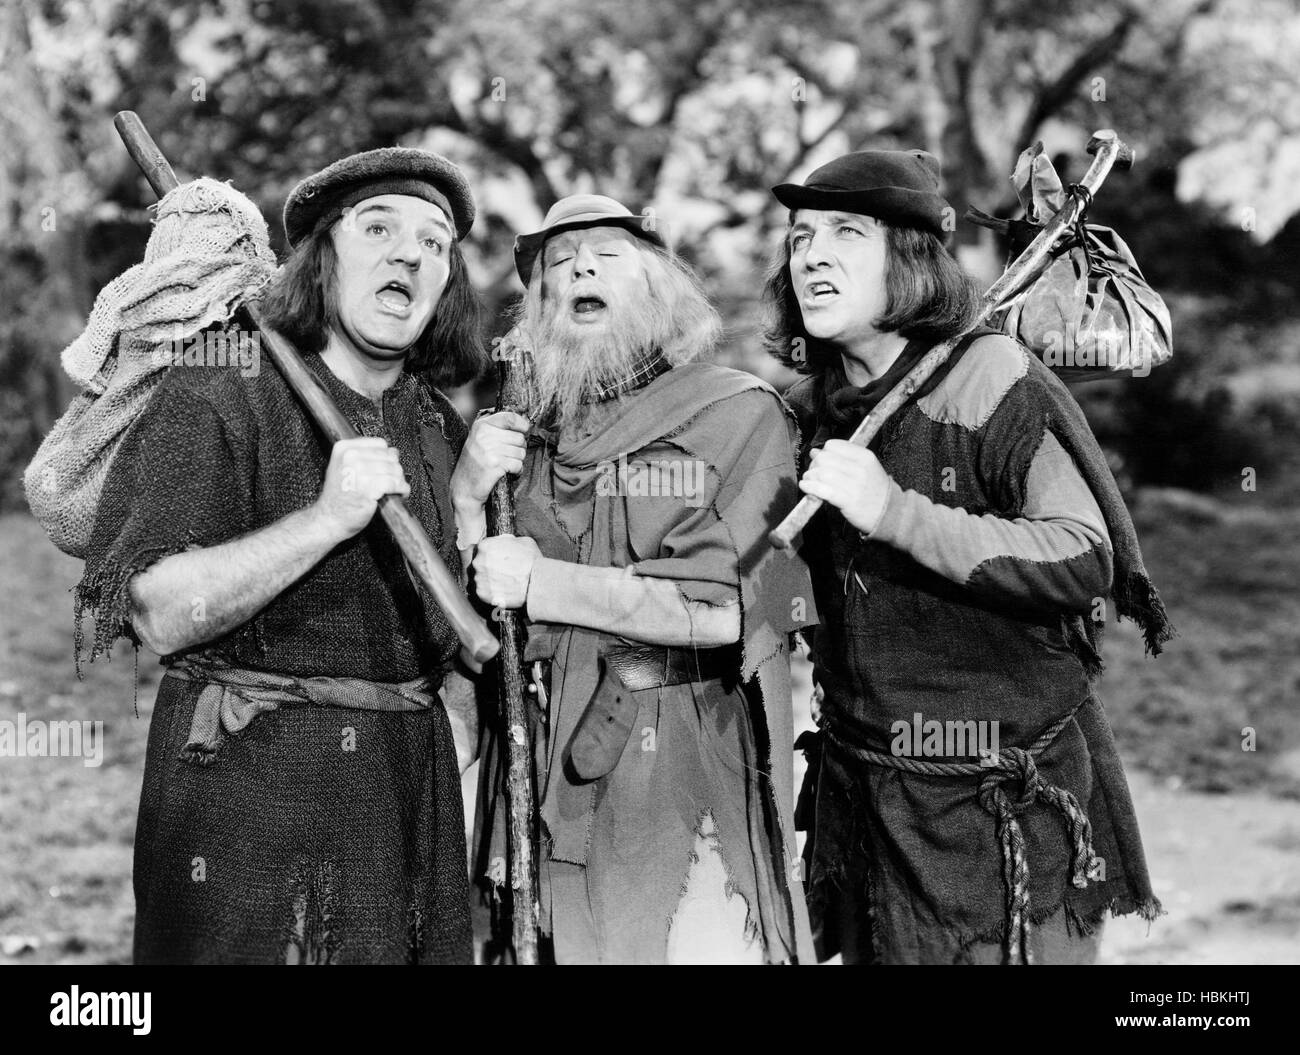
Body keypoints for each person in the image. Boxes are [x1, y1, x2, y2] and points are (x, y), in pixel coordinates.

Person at [75, 148, 488, 964]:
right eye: (379, 228)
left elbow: (450, 627)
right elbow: (158, 607)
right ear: (322, 258)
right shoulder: (222, 384)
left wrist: (456, 718)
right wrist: (325, 519)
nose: (412, 252)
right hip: (243, 795)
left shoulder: (436, 421)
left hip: (406, 797)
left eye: (435, 242)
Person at [764, 149, 1172, 964]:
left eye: (845, 232)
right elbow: (789, 600)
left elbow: (1080, 556)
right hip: (873, 805)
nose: (810, 253)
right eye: (800, 236)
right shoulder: (811, 415)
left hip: (1008, 805)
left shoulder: (989, 376)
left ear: (912, 258)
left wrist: (894, 511)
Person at [456, 195, 816, 963]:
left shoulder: (746, 414)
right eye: (559, 263)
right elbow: (474, 624)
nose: (580, 265)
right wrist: (464, 496)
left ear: (661, 287)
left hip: (689, 768)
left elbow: (735, 613)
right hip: (556, 770)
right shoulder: (527, 447)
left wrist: (544, 584)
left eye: (607, 254)